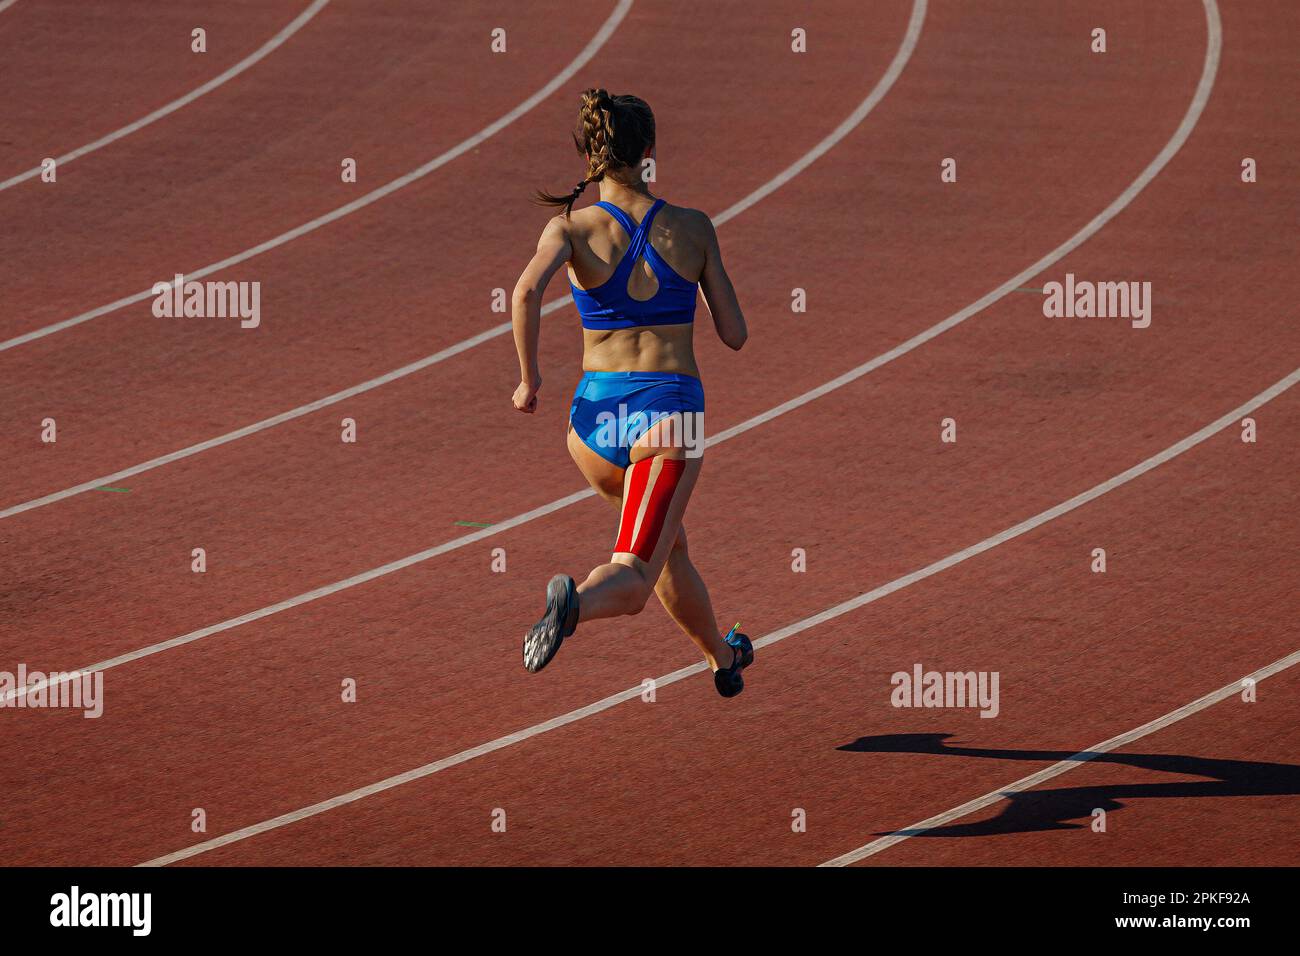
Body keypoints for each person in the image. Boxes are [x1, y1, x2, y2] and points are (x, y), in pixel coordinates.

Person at [510, 88, 753, 697]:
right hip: (668, 421)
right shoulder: (692, 228)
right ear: (649, 153)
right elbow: (735, 334)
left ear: (590, 152)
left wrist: (529, 379)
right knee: (635, 576)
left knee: (668, 547)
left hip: (592, 427)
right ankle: (574, 605)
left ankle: (722, 659)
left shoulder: (569, 228)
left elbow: (525, 293)